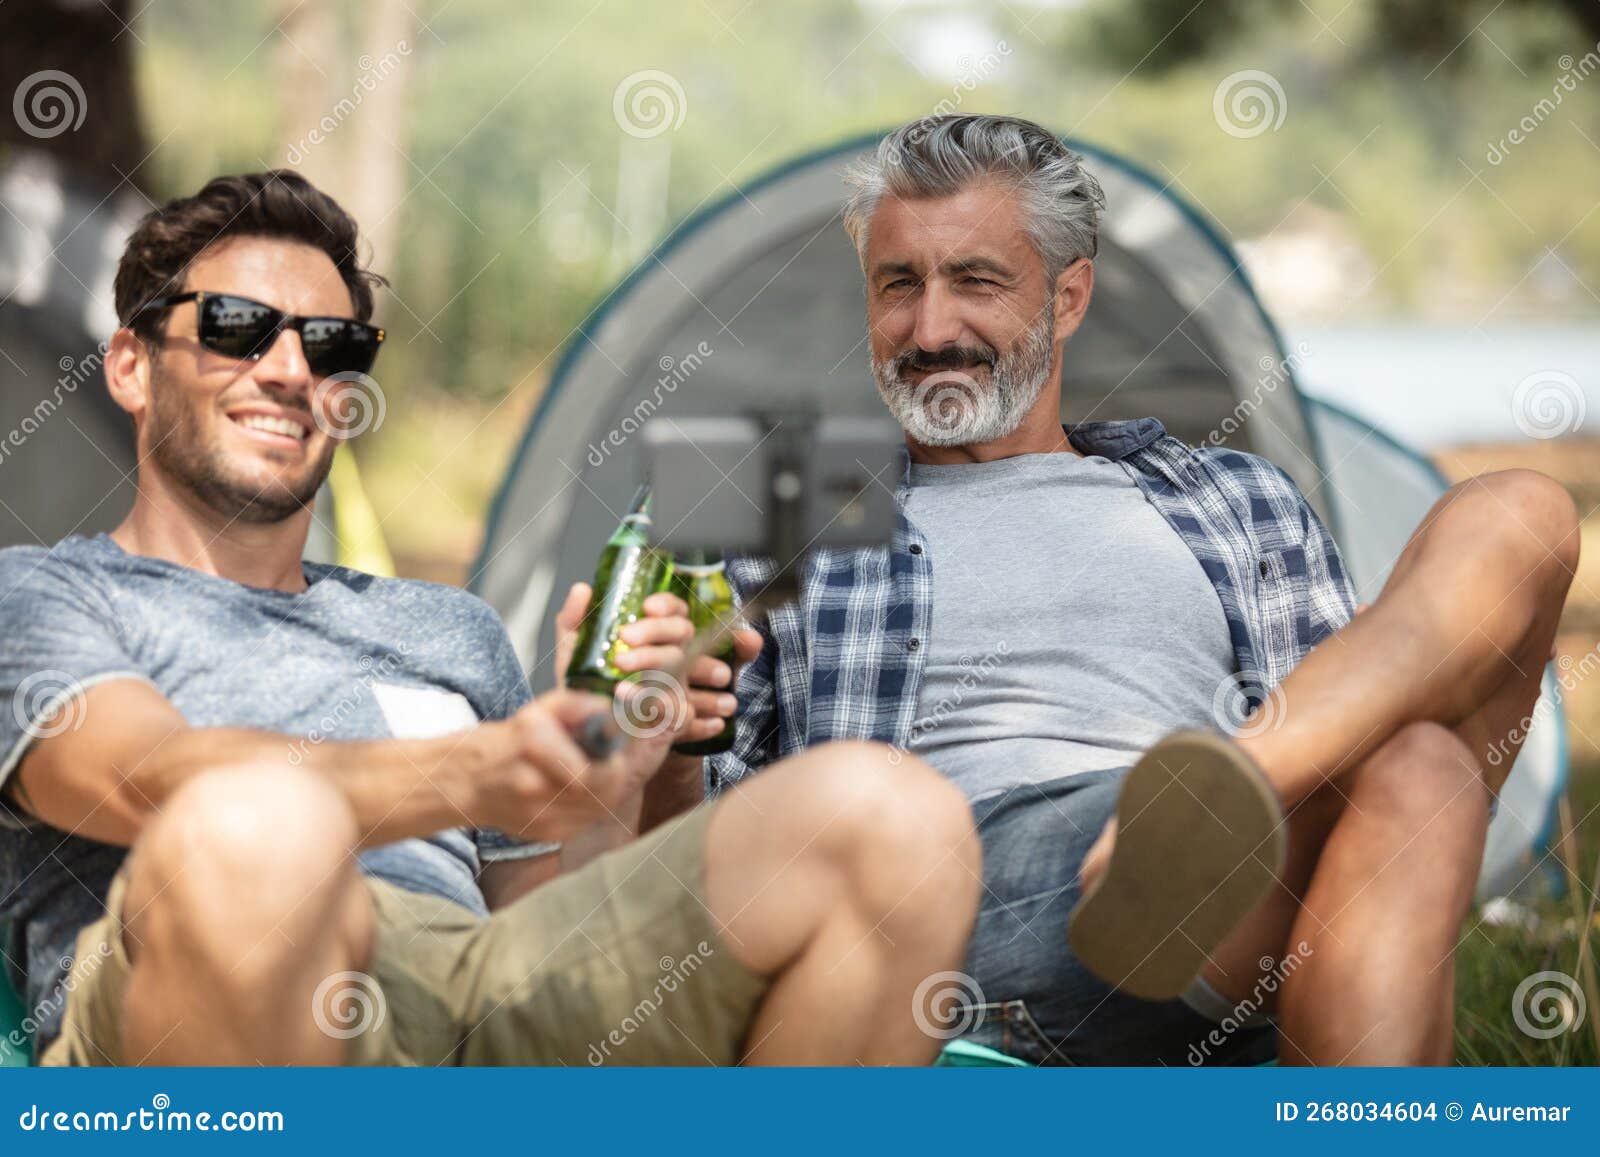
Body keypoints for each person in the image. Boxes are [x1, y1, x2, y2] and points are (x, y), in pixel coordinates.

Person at [0, 170, 981, 1067]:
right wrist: (473, 768)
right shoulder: (42, 594)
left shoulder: (448, 628)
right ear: (130, 365)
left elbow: (556, 919)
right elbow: (142, 779)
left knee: (890, 814)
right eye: (239, 325)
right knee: (257, 822)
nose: (290, 369)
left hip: (478, 997)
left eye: (331, 344)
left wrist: (645, 760)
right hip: (197, 1001)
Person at [672, 115, 1580, 1066]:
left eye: (975, 280)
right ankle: (1205, 813)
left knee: (1500, 565)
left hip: (1234, 899)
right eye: (899, 285)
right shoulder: (791, 511)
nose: (930, 327)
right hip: (939, 899)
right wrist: (658, 735)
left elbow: (1366, 738)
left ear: (1070, 297)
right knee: (1413, 769)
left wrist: (1242, 787)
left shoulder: (1235, 497)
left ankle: (1230, 790)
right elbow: (692, 854)